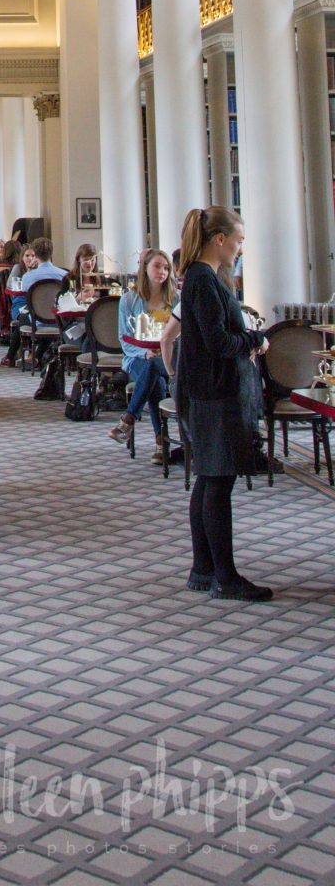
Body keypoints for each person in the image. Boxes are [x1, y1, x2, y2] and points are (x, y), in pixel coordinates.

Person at [177, 206, 271, 602]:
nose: (240, 248)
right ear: (220, 239)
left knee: (210, 479)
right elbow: (216, 342)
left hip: (209, 389)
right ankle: (225, 577)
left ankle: (204, 569)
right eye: (239, 241)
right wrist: (255, 340)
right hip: (215, 392)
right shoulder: (203, 279)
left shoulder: (203, 278)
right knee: (218, 480)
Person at [109, 249, 177, 461]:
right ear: (145, 269)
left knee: (155, 368)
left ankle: (128, 420)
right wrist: (144, 352)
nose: (162, 271)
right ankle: (160, 441)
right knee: (156, 381)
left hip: (169, 358)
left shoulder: (176, 299)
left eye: (166, 268)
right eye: (157, 266)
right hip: (137, 357)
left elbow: (182, 334)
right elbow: (124, 338)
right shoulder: (129, 300)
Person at [0, 244, 38, 366]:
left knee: (31, 320)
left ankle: (30, 355)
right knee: (24, 318)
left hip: (37, 305)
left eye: (33, 255)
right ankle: (14, 355)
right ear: (22, 257)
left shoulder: (40, 269)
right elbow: (9, 286)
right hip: (21, 302)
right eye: (27, 255)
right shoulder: (18, 268)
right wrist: (29, 273)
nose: (30, 258)